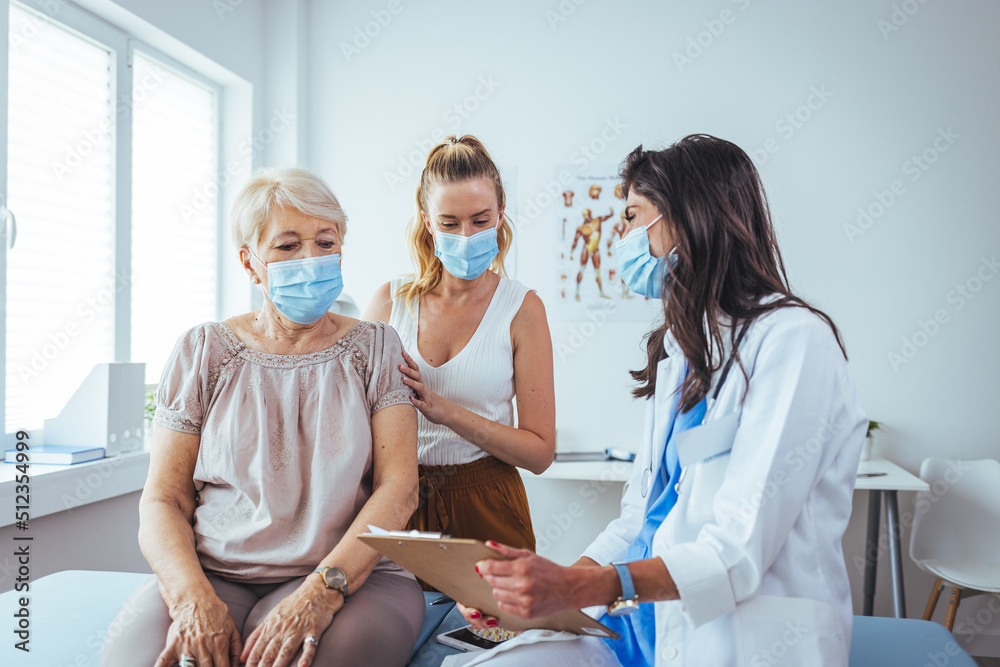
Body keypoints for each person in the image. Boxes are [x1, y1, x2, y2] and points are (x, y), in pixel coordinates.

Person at [448, 135, 867, 666]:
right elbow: (638, 520)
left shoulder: (792, 341)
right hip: (635, 630)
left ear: (690, 218)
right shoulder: (679, 353)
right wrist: (540, 596)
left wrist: (574, 589)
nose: (620, 237)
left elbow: (737, 554)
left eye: (632, 216)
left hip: (736, 638)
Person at [100, 168, 425, 667]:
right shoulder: (202, 350)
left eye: (325, 242)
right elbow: (163, 499)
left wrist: (321, 592)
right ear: (250, 263)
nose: (311, 259)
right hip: (215, 573)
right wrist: (191, 599)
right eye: (288, 246)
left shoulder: (376, 347)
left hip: (350, 575)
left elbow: (399, 488)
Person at [362, 135, 555, 569]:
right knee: (398, 634)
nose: (466, 236)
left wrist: (445, 411)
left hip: (488, 502)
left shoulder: (522, 309)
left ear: (501, 216)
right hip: (396, 499)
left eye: (480, 220)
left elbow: (540, 454)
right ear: (428, 223)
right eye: (449, 223)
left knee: (490, 635)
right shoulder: (390, 303)